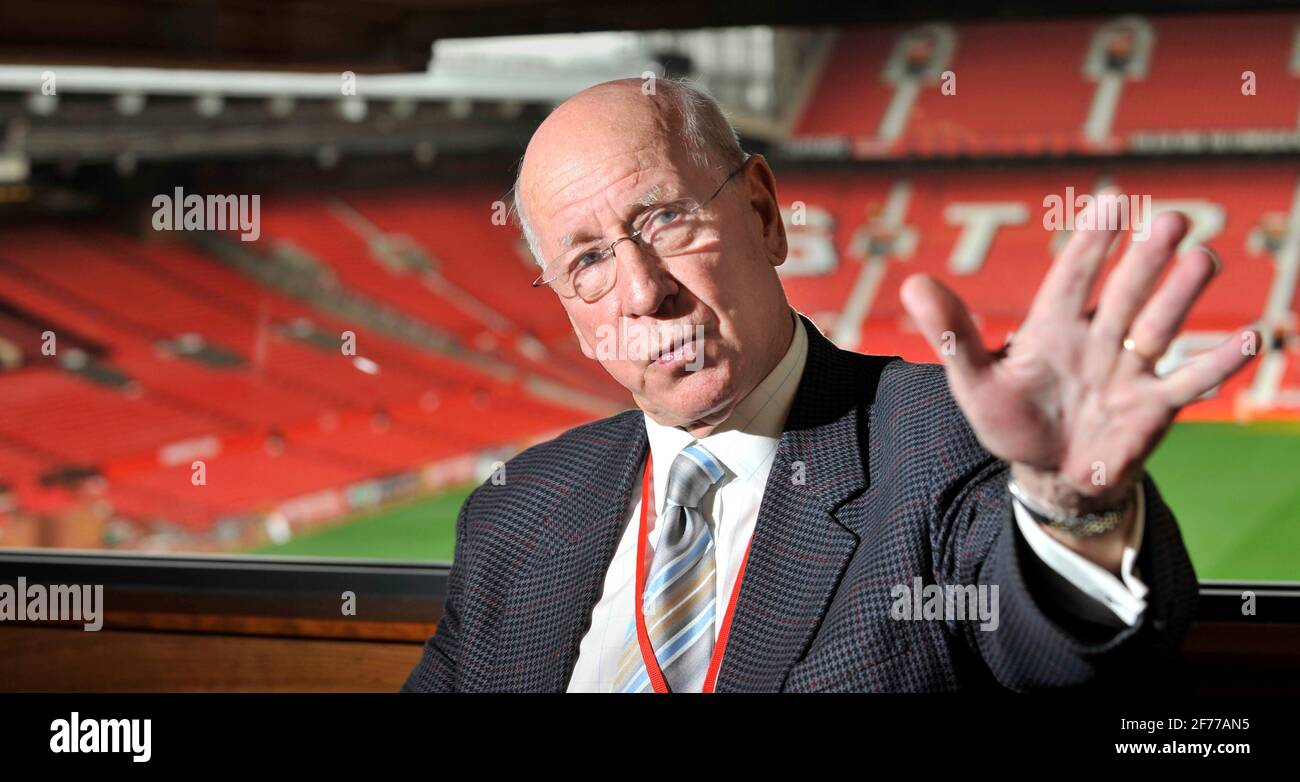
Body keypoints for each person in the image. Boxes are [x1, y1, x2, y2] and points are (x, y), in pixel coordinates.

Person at [401, 78, 1257, 692]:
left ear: (766, 215)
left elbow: (1059, 659)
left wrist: (1073, 503)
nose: (640, 291)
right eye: (587, 259)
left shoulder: (940, 440)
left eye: (664, 218)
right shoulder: (515, 512)